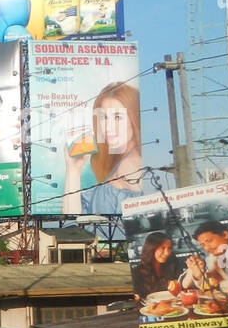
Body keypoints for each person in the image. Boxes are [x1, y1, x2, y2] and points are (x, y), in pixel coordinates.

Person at [63, 82, 147, 216]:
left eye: (118, 117)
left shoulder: (129, 165)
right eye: (104, 117)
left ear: (134, 119)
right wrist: (73, 169)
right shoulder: (118, 162)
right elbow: (74, 219)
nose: (108, 127)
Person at [132, 232, 184, 299]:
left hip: (173, 305)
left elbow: (181, 286)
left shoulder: (173, 263)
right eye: (163, 248)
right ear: (152, 248)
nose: (167, 253)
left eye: (169, 248)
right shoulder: (137, 273)